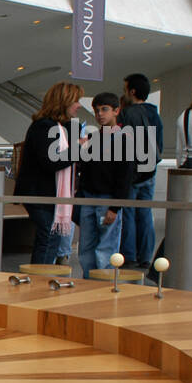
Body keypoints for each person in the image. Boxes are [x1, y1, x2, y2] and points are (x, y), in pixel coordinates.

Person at [16, 82, 82, 265]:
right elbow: (51, 161)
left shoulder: (55, 126)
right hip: (39, 194)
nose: (79, 105)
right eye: (76, 100)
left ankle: (40, 279)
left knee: (49, 238)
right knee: (48, 239)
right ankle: (40, 280)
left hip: (44, 194)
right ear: (64, 102)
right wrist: (78, 150)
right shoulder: (44, 127)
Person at [76, 93, 132, 277]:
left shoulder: (124, 139)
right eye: (97, 110)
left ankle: (102, 283)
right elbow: (86, 169)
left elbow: (125, 176)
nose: (100, 114)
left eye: (105, 109)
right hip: (89, 197)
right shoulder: (94, 138)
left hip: (107, 199)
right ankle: (89, 281)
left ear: (116, 111)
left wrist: (115, 207)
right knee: (86, 246)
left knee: (105, 248)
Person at [118, 73, 164, 269]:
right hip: (149, 171)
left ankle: (128, 255)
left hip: (133, 172)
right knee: (145, 213)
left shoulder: (128, 114)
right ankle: (145, 256)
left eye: (125, 89)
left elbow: (123, 144)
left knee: (127, 213)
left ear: (132, 91)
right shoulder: (154, 114)